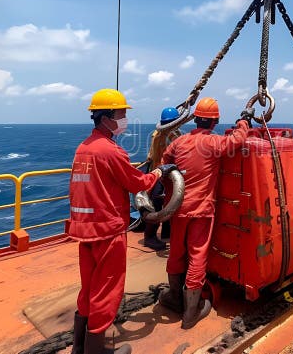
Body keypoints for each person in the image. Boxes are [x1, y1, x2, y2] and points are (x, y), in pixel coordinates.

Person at [68, 89, 166, 354]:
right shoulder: (111, 151)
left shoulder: (84, 148)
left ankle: (80, 345)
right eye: (122, 114)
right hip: (108, 231)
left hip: (85, 230)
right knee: (107, 289)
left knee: (88, 286)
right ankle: (96, 349)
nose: (124, 119)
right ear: (107, 117)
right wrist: (158, 171)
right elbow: (138, 183)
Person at [158, 97, 251, 329]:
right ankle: (191, 312)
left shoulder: (179, 142)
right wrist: (244, 121)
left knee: (176, 252)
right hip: (201, 210)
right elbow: (238, 140)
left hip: (177, 208)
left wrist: (175, 183)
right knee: (197, 256)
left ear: (195, 119)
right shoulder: (215, 143)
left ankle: (174, 298)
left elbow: (165, 163)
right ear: (215, 121)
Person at [141, 107, 182, 251]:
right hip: (163, 174)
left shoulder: (156, 133)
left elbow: (151, 157)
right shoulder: (173, 136)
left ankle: (166, 232)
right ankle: (150, 237)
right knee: (158, 203)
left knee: (166, 201)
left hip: (157, 172)